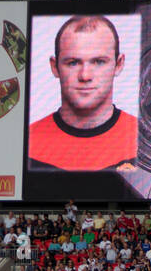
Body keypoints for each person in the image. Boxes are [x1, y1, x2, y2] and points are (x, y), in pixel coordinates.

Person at [28, 15, 138, 171]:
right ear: (55, 67)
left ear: (118, 64)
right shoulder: (27, 142)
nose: (85, 76)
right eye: (73, 63)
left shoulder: (145, 142)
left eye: (99, 62)